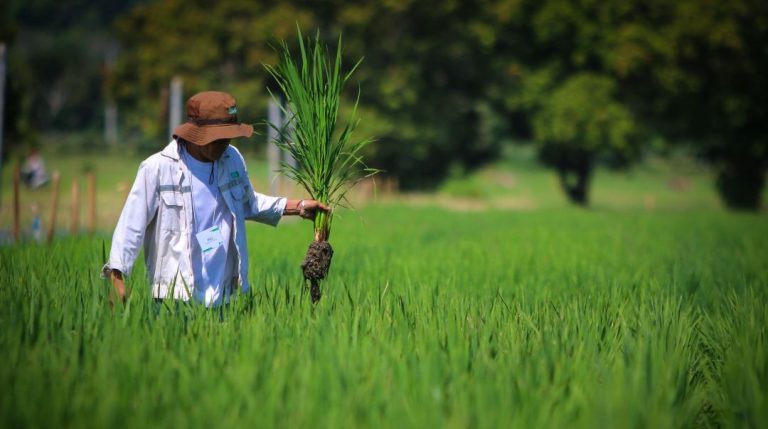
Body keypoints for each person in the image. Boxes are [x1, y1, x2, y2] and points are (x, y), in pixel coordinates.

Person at [102, 91, 328, 307]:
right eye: (217, 139)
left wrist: (297, 207)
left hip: (223, 294)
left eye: (227, 138)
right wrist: (117, 275)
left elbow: (249, 203)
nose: (224, 144)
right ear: (194, 133)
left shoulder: (231, 159)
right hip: (175, 294)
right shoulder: (159, 168)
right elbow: (132, 224)